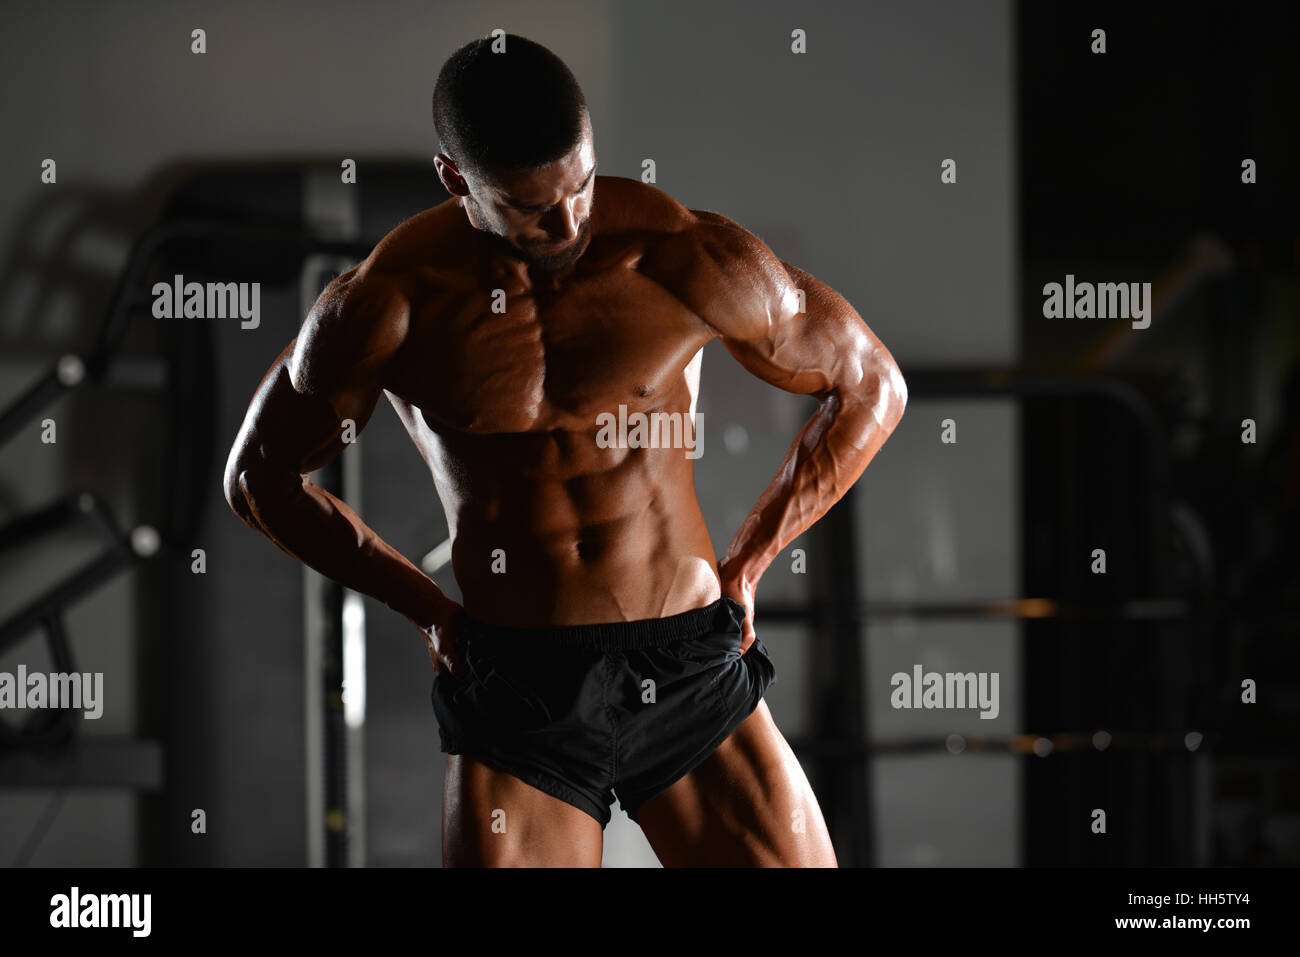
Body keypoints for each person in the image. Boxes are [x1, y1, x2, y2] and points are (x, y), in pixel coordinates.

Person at [223, 33, 906, 867]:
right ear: (455, 181)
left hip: (686, 657)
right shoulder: (388, 303)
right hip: (517, 690)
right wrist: (425, 607)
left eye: (581, 184)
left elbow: (872, 386)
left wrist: (754, 557)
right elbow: (259, 479)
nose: (569, 220)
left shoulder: (680, 255)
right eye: (531, 207)